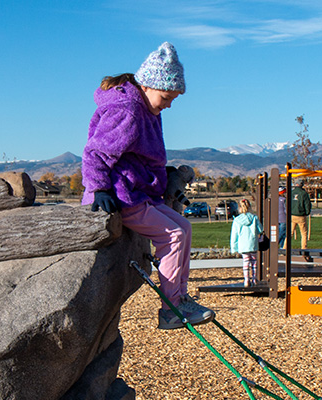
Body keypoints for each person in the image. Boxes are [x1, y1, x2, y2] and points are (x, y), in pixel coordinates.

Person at [81, 42, 214, 330]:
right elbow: (96, 152)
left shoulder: (147, 109)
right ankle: (171, 309)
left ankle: (179, 297)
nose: (168, 104)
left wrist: (161, 177)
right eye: (166, 97)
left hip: (138, 190)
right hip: (121, 195)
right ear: (148, 86)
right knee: (174, 235)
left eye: (172, 100)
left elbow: (143, 154)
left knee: (185, 227)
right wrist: (99, 188)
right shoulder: (127, 111)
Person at [230, 199, 263, 287]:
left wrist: (234, 247)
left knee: (246, 262)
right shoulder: (254, 218)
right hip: (252, 243)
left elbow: (234, 235)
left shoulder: (237, 220)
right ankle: (254, 278)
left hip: (243, 244)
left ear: (240, 208)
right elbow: (260, 229)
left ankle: (246, 280)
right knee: (254, 262)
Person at [289, 182, 311, 248]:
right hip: (301, 215)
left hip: (292, 215)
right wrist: (307, 213)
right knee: (303, 233)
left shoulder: (291, 193)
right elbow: (307, 204)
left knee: (290, 233)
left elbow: (286, 203)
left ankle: (285, 248)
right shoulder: (304, 193)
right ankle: (303, 248)